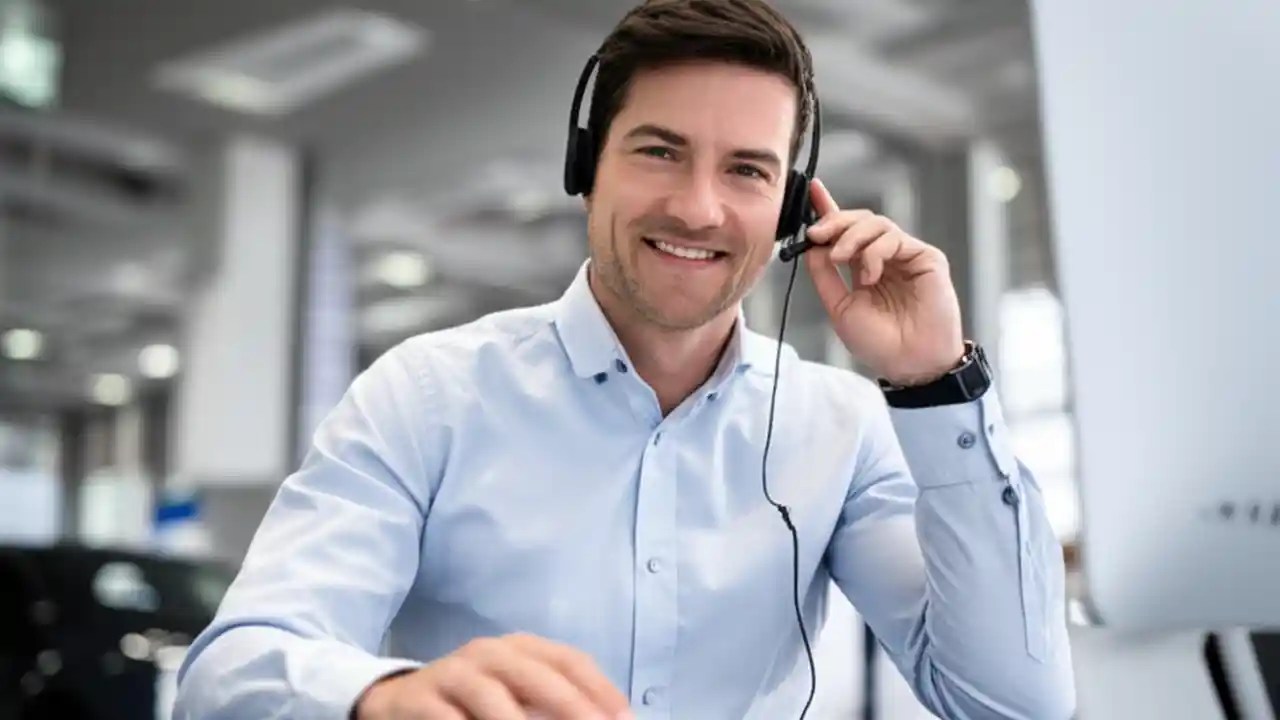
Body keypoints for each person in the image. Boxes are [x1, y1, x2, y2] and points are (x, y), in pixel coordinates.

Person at [174, 1, 1075, 718]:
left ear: (790, 207)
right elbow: (229, 673)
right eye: (659, 151)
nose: (698, 208)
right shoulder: (427, 394)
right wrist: (385, 698)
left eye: (747, 170)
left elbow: (1010, 704)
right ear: (586, 167)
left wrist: (937, 384)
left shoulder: (837, 427)